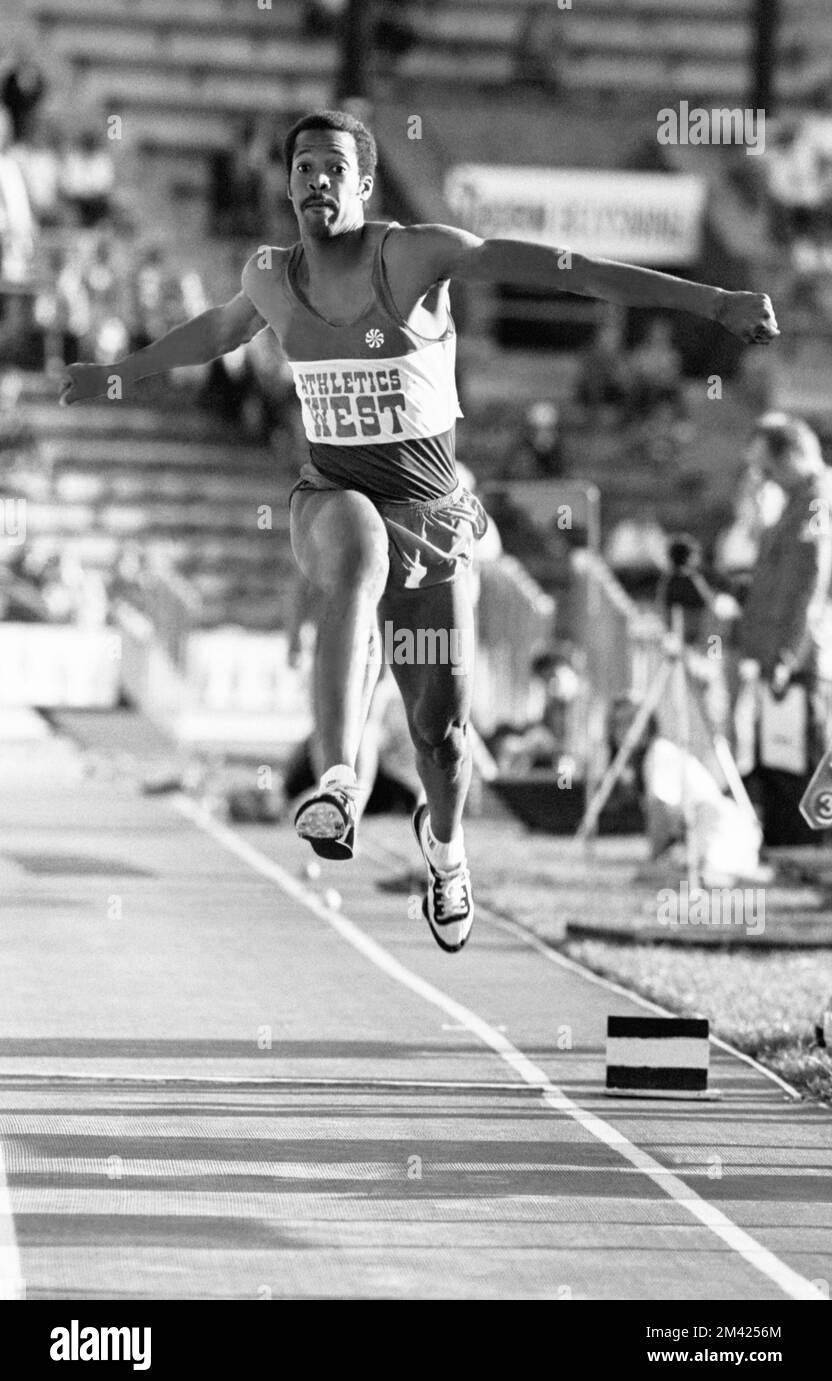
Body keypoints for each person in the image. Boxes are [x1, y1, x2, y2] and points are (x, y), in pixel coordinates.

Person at [59, 108, 779, 952]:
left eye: (335, 168)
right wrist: (120, 373)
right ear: (286, 184)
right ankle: (338, 779)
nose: (317, 181)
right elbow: (217, 331)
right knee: (356, 552)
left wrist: (713, 301)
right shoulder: (269, 275)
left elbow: (572, 271)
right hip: (332, 494)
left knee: (443, 735)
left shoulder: (415, 256)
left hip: (433, 522)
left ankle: (446, 848)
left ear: (366, 184)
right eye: (303, 168)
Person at [734, 412, 832, 846]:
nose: (764, 477)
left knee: (801, 765)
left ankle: (811, 852)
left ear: (791, 456)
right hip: (780, 657)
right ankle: (789, 850)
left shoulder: (815, 504)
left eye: (768, 467)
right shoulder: (793, 503)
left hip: (800, 660)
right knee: (778, 761)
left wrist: (787, 656)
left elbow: (809, 587)